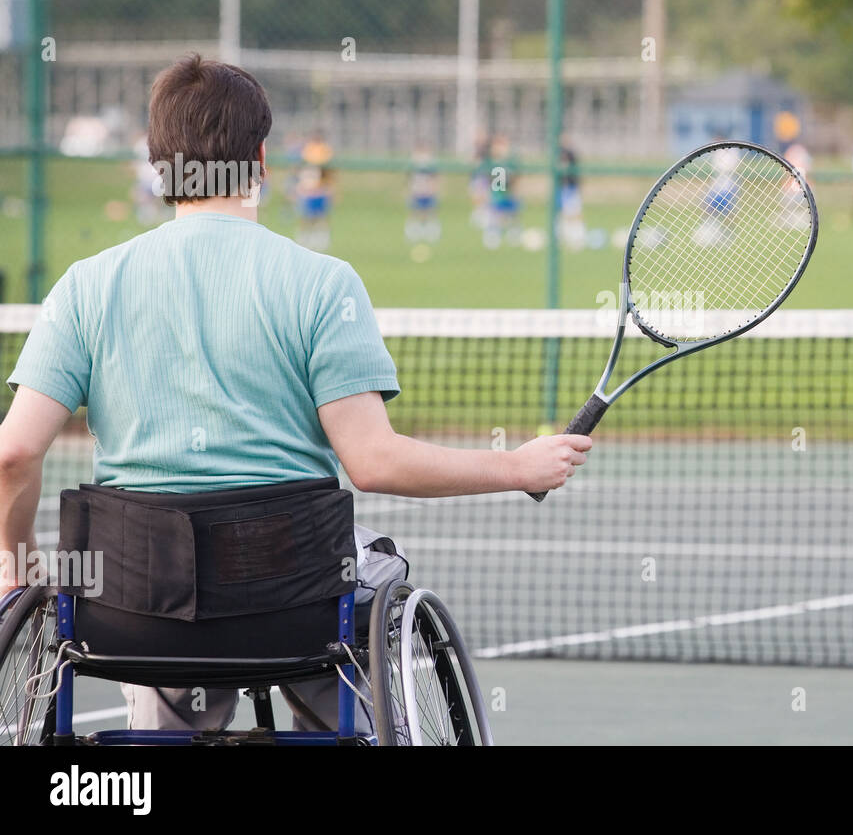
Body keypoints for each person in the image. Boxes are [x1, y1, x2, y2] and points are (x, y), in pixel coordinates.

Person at [0, 54, 592, 734]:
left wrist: (15, 563)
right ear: (259, 159)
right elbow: (374, 462)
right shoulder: (323, 283)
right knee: (364, 580)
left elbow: (13, 453)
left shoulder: (85, 286)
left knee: (166, 667)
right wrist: (516, 466)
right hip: (290, 603)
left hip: (135, 611)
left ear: (158, 162)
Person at [483, 133, 520, 249]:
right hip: (497, 192)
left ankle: (513, 234)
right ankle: (493, 235)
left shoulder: (510, 161)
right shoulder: (492, 161)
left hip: (509, 192)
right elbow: (489, 177)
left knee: (512, 213)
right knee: (496, 214)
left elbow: (516, 177)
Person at [405, 148, 441, 244]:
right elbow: (410, 180)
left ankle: (432, 232)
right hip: (417, 192)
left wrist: (432, 189)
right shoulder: (413, 167)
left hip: (428, 192)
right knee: (415, 212)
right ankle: (413, 232)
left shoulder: (430, 167)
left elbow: (434, 179)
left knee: (430, 212)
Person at [557, 136, 585, 251]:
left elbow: (574, 172)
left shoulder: (571, 154)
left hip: (571, 188)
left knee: (574, 213)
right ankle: (565, 236)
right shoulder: (558, 152)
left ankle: (578, 237)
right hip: (563, 189)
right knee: (564, 213)